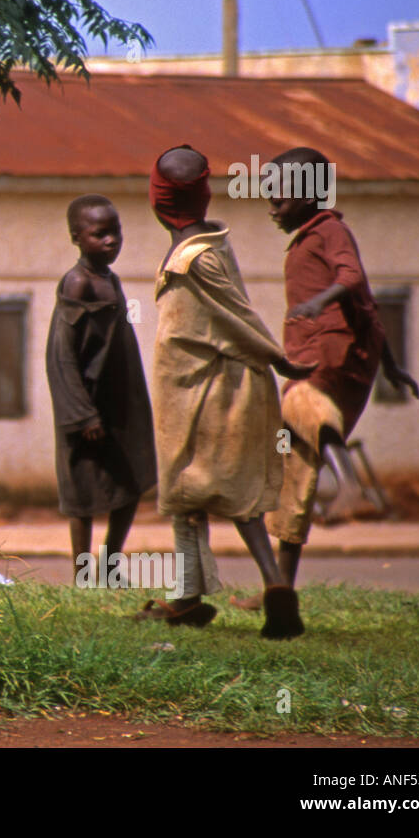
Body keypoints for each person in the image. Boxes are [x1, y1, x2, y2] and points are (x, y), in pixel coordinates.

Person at [138, 145, 313, 638]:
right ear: (205, 193)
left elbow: (240, 317)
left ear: (157, 200)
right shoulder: (209, 245)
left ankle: (269, 588)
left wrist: (280, 359)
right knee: (198, 495)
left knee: (204, 491)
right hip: (203, 389)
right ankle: (192, 597)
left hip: (209, 392)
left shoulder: (194, 259)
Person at [235, 147, 419, 606]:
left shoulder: (330, 230)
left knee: (300, 401)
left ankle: (353, 487)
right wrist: (392, 365)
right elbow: (370, 306)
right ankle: (279, 589)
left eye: (279, 200)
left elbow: (352, 278)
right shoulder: (311, 238)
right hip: (340, 355)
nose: (272, 208)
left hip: (327, 357)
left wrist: (319, 303)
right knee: (296, 471)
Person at [46, 195, 156, 585]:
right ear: (77, 237)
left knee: (130, 483)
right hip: (87, 407)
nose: (112, 241)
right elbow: (62, 355)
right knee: (84, 493)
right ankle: (82, 573)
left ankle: (109, 568)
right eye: (100, 234)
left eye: (116, 232)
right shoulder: (77, 284)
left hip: (120, 405)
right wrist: (82, 413)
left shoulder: (111, 280)